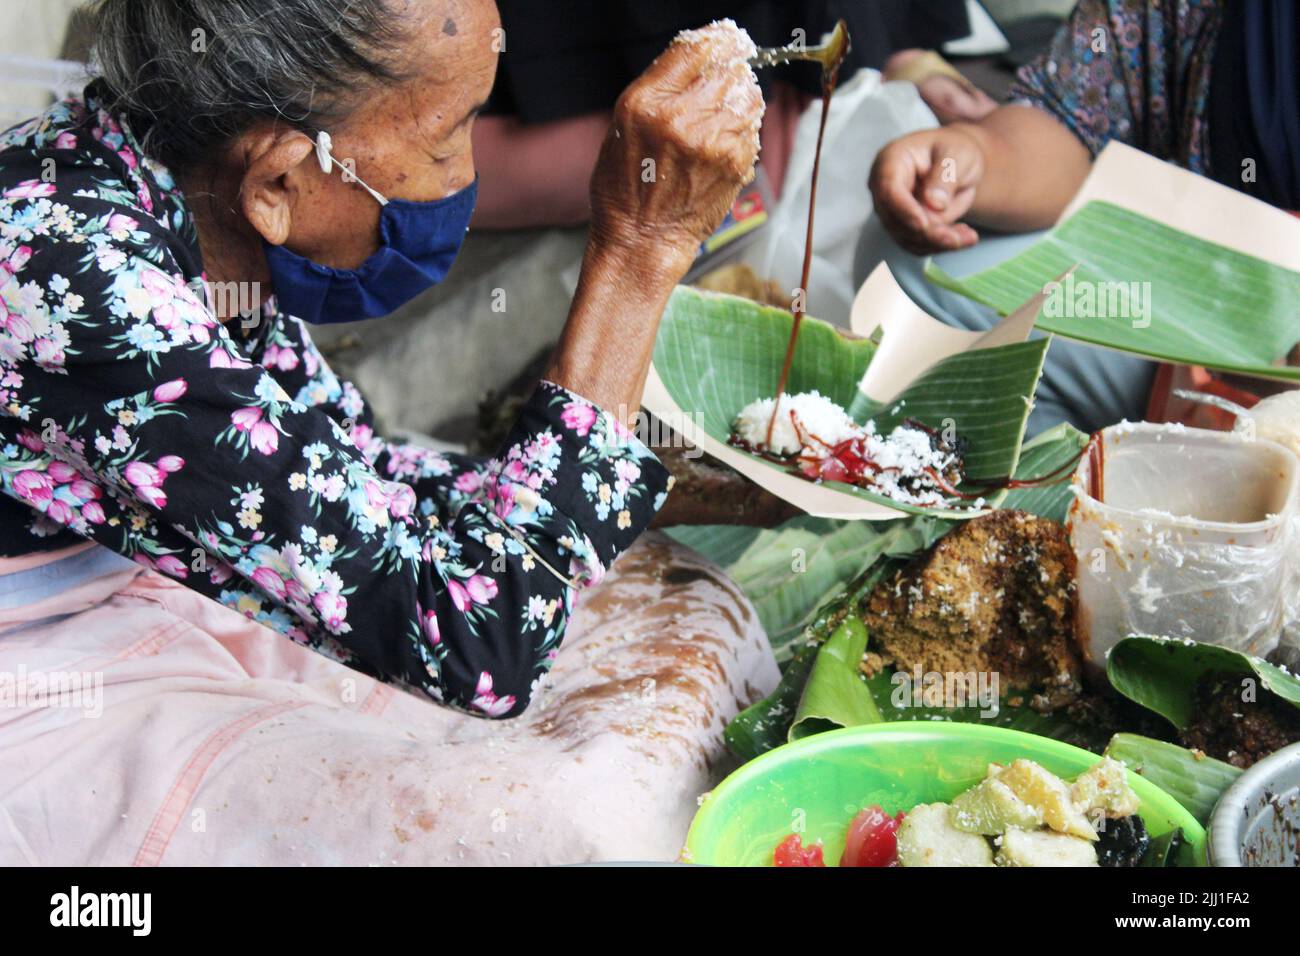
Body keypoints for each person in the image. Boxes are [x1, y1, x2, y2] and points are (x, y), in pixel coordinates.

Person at [0, 1, 764, 719]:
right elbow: (476, 648)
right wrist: (639, 252)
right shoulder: (72, 275)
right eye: (447, 140)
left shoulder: (171, 184)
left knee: (677, 614)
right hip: (37, 677)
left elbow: (350, 473)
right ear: (278, 181)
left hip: (103, 596)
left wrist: (687, 489)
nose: (466, 179)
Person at [867, 0, 1300, 432]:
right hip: (1208, 326)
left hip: (1262, 347)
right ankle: (1071, 477)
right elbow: (1072, 119)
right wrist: (968, 157)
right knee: (920, 263)